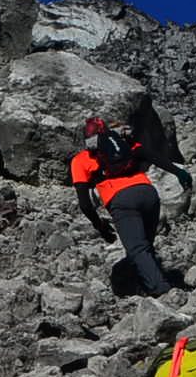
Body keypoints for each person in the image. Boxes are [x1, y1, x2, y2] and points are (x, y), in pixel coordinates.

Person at [70, 117, 187, 298]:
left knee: (137, 249)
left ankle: (163, 294)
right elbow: (153, 156)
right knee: (145, 247)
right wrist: (179, 172)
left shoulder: (81, 160)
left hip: (123, 202)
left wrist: (100, 226)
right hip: (149, 194)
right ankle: (146, 284)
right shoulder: (124, 145)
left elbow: (85, 204)